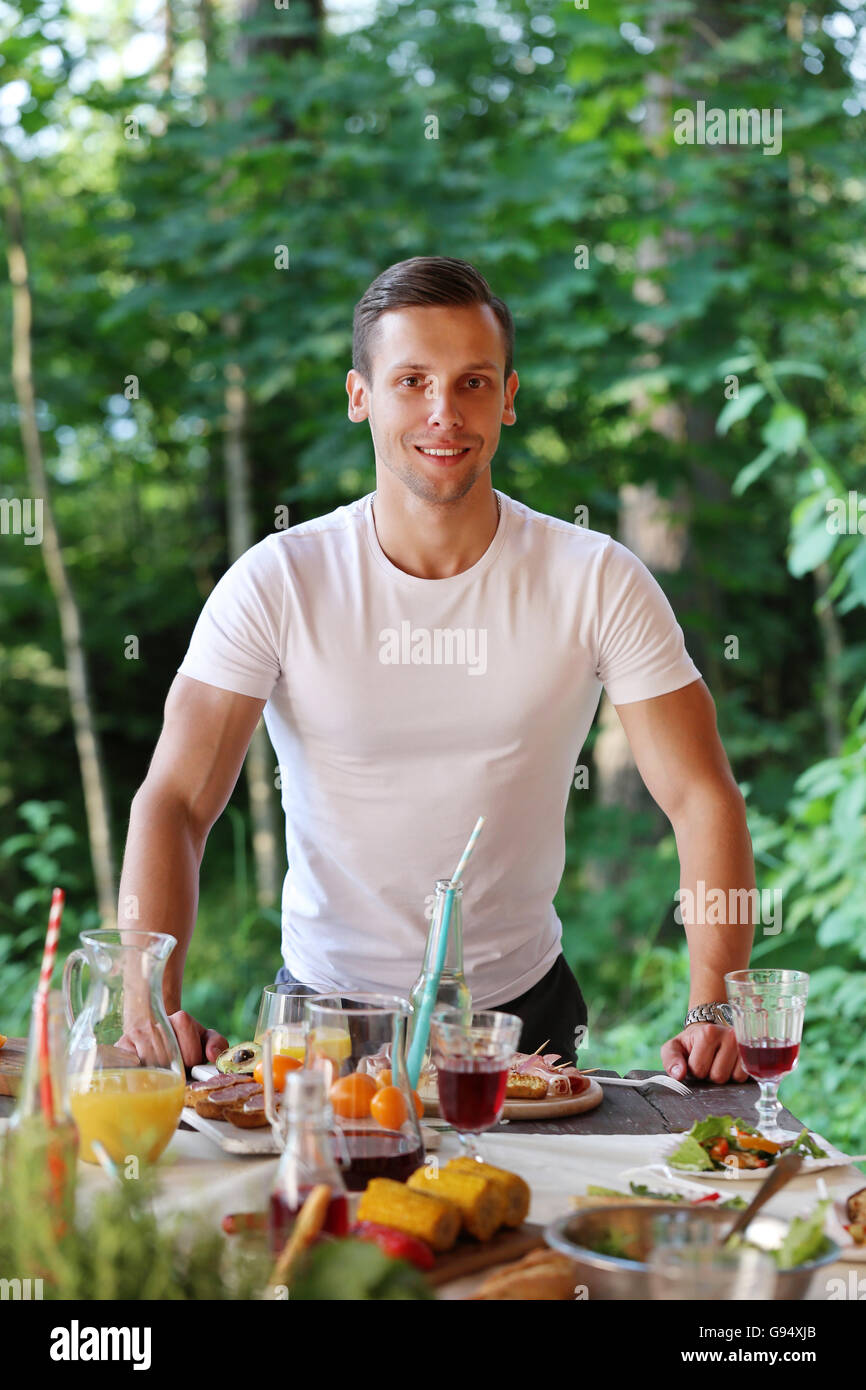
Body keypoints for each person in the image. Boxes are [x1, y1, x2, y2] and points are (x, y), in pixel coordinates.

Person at [119, 255, 753, 1083]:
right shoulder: (278, 581)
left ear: (509, 398)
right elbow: (174, 802)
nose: (443, 413)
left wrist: (715, 1007)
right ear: (361, 397)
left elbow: (701, 795)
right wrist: (146, 1001)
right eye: (412, 381)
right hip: (321, 1022)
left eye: (472, 383)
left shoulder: (596, 577)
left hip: (523, 1016)